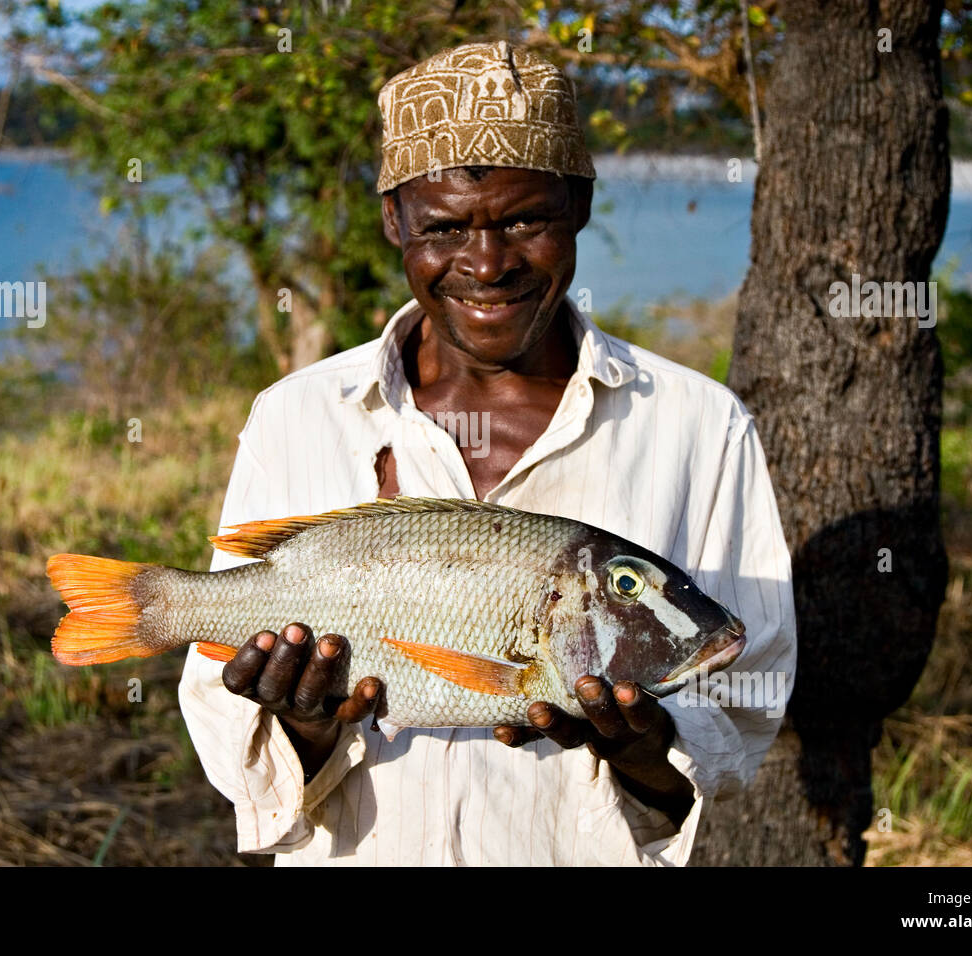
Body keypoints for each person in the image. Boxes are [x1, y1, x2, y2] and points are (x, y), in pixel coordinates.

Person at [178, 40, 796, 866]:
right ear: (394, 220)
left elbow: (747, 701)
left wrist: (645, 748)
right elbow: (223, 722)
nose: (487, 263)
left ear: (577, 204)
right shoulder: (299, 416)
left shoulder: (698, 426)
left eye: (525, 220)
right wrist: (302, 717)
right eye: (443, 228)